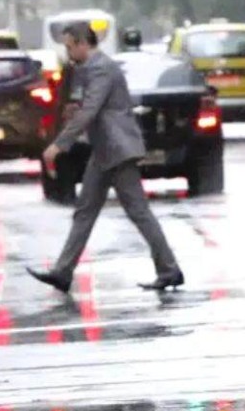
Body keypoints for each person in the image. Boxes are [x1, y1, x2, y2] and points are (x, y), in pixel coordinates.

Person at [29, 22, 183, 294]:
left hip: (116, 149)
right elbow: (92, 108)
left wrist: (59, 145)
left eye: (68, 46)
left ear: (81, 43)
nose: (67, 52)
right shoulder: (90, 69)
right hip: (104, 150)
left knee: (138, 212)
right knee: (85, 212)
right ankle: (63, 272)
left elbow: (91, 110)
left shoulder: (101, 67)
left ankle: (169, 269)